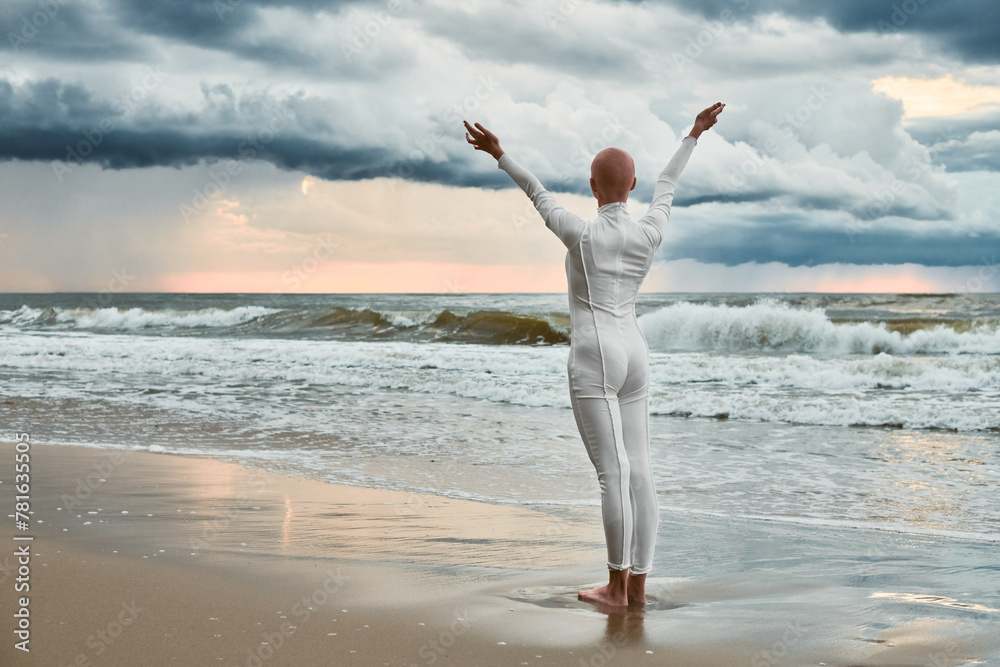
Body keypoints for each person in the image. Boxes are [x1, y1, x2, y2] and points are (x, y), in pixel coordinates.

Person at [463, 102, 725, 606]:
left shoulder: (580, 235)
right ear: (630, 187)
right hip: (635, 351)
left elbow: (536, 192)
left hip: (595, 354)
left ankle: (615, 587)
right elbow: (668, 182)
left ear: (591, 186)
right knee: (641, 470)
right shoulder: (650, 231)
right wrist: (694, 132)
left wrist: (500, 154)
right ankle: (639, 587)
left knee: (614, 474)